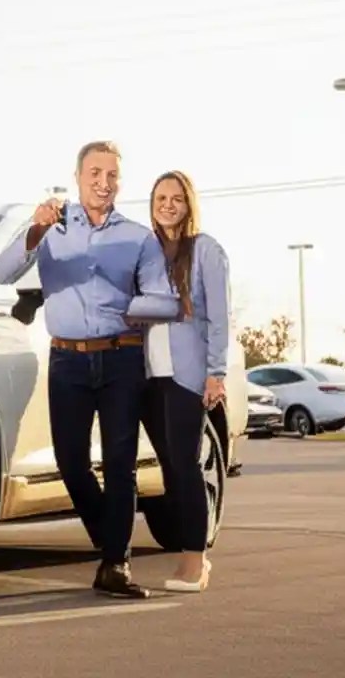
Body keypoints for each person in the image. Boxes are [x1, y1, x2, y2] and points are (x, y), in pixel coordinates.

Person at [0, 140, 179, 598]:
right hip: (66, 360)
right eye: (95, 173)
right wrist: (34, 232)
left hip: (121, 358)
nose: (103, 182)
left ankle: (115, 564)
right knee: (70, 461)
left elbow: (163, 296)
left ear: (119, 181)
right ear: (78, 177)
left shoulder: (138, 237)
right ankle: (110, 539)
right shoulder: (51, 229)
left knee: (120, 463)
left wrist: (132, 307)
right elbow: (2, 273)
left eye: (111, 175)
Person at [139, 169, 231, 593]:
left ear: (188, 204)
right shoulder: (146, 250)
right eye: (161, 197)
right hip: (147, 376)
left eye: (176, 198)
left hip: (186, 375)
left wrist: (216, 373)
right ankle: (185, 557)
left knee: (186, 466)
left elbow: (218, 317)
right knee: (170, 471)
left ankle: (196, 562)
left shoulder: (207, 251)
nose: (168, 204)